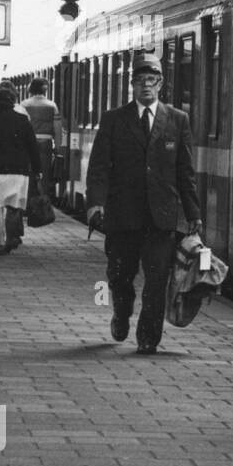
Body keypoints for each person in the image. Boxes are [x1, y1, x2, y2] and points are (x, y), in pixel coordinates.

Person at [85, 53, 202, 355]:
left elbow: (185, 172)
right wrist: (95, 204)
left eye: (152, 80)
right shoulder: (114, 119)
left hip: (161, 216)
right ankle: (121, 314)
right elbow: (99, 167)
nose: (146, 86)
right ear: (132, 85)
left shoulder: (177, 120)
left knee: (157, 278)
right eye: (140, 81)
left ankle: (148, 337)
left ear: (160, 84)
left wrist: (193, 213)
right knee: (120, 276)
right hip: (123, 214)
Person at [0, 88, 41, 256]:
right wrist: (37, 169)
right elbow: (32, 147)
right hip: (19, 169)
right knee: (14, 206)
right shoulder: (22, 120)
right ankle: (11, 239)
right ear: (12, 102)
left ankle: (0, 242)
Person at [23, 77, 65, 204]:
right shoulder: (52, 105)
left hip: (28, 143)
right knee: (44, 174)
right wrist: (58, 146)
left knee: (29, 173)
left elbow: (23, 126)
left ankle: (29, 203)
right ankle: (42, 204)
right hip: (46, 143)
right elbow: (57, 128)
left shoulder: (24, 104)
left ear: (30, 89)